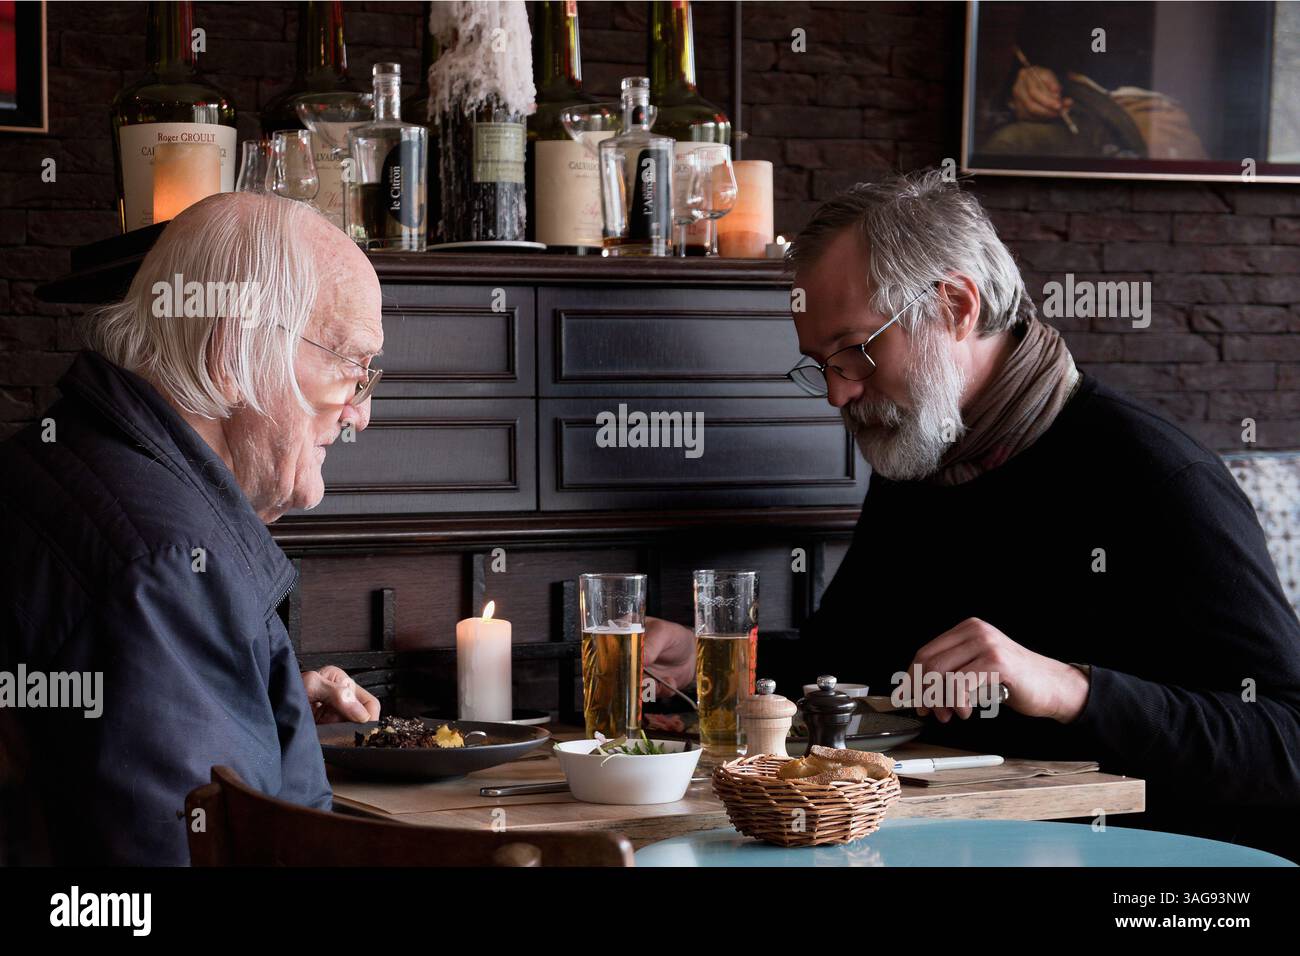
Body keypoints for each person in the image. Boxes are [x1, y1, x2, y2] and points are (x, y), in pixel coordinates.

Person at [644, 171, 1300, 861]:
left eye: (856, 352)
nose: (839, 393)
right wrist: (715, 663)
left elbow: (1286, 738)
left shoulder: (1159, 477)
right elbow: (843, 666)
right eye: (821, 364)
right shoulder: (921, 451)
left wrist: (1070, 688)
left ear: (956, 305)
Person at [0, 192, 383, 864]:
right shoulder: (164, 565)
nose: (359, 416)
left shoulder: (70, 463)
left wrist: (265, 700)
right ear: (232, 351)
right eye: (351, 367)